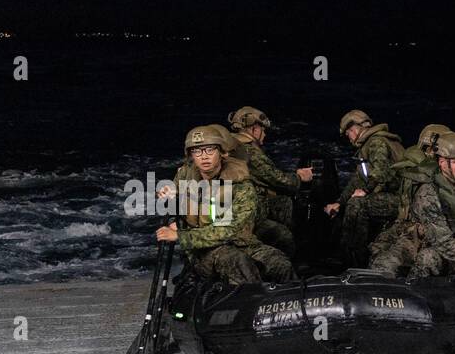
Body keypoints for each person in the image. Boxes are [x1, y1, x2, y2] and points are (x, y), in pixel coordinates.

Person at [154, 126, 294, 284]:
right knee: (236, 261)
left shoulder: (240, 185)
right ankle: (248, 302)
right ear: (191, 155)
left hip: (239, 243)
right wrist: (166, 193)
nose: (204, 157)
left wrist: (181, 236)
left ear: (221, 153)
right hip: (204, 251)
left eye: (210, 150)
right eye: (197, 151)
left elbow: (230, 229)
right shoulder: (186, 176)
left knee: (279, 263)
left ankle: (289, 303)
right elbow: (171, 192)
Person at [368, 131, 455, 279]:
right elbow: (444, 243)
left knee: (428, 258)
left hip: (450, 248)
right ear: (442, 163)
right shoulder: (428, 193)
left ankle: (418, 289)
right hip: (431, 242)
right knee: (383, 264)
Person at [226, 105, 314, 257]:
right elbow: (278, 179)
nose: (264, 134)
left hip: (232, 206)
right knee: (284, 234)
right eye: (263, 130)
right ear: (254, 129)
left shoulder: (229, 145)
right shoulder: (249, 151)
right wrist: (299, 177)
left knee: (283, 201)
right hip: (246, 209)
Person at [324, 109, 408, 266]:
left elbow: (380, 173)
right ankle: (348, 254)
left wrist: (366, 191)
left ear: (354, 129)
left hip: (402, 201)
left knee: (358, 204)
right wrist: (339, 203)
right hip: (394, 196)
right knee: (352, 203)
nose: (348, 137)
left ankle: (354, 261)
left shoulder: (377, 143)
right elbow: (357, 180)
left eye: (348, 133)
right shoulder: (368, 145)